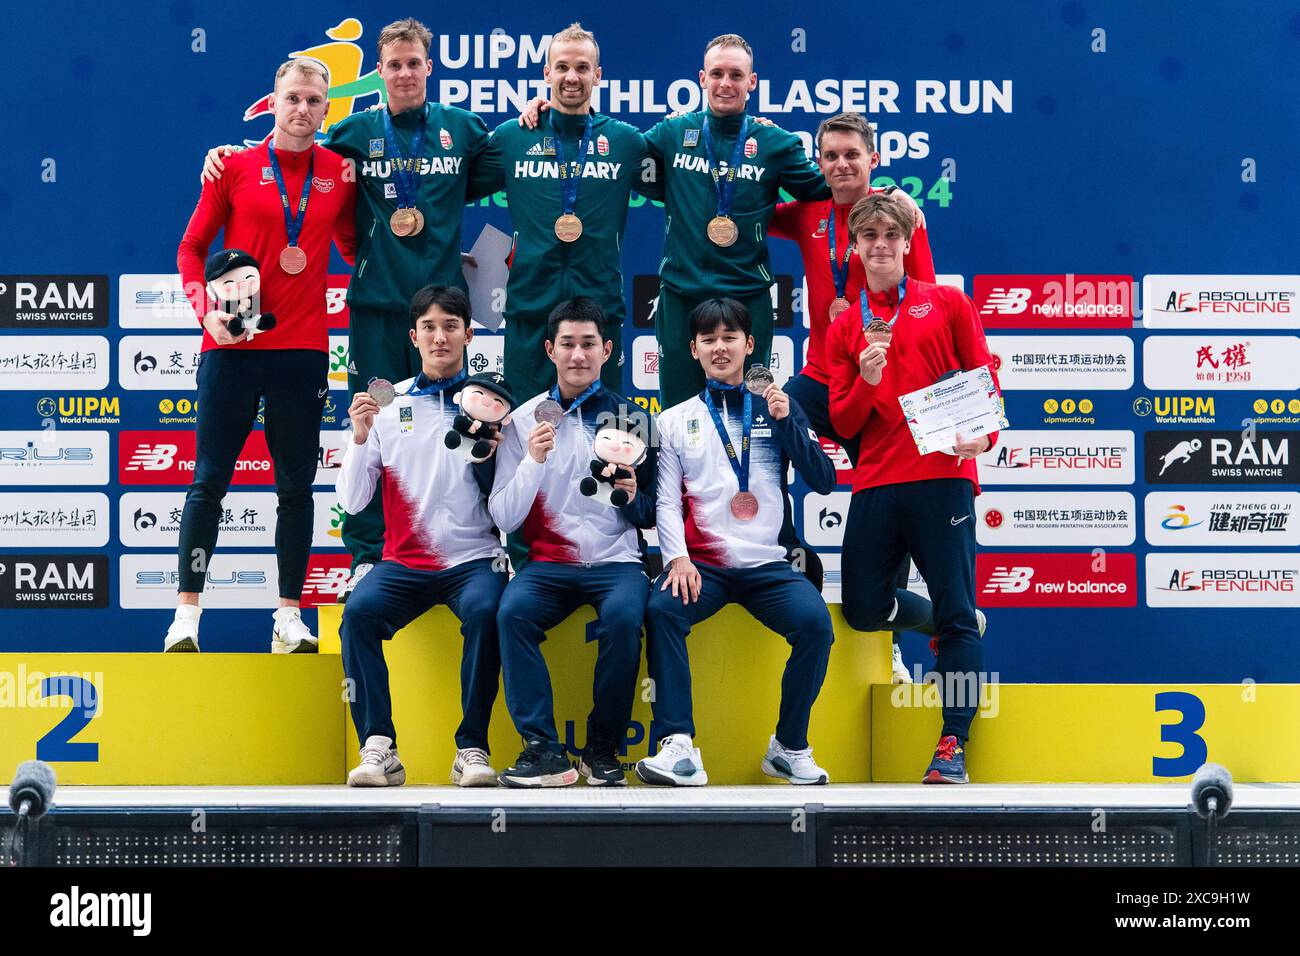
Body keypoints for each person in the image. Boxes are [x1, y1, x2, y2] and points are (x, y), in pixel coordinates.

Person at [201, 18, 503, 601]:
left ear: (429, 67)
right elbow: (292, 157)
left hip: (442, 317)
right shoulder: (353, 135)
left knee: (458, 430)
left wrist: (536, 116)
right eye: (394, 64)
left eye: (415, 63)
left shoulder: (462, 130)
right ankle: (368, 554)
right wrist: (232, 153)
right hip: (374, 310)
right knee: (373, 424)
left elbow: (512, 163)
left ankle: (474, 548)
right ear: (380, 72)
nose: (405, 73)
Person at [167, 58, 356, 654]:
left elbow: (355, 246)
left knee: (296, 488)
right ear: (272, 103)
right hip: (233, 348)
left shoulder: (340, 174)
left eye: (314, 101)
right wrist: (206, 314)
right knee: (209, 483)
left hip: (302, 350)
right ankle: (187, 617)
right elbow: (192, 248)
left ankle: (288, 617)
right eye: (293, 99)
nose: (303, 110)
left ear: (329, 109)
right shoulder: (235, 166)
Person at [827, 194, 1001, 784]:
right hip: (876, 479)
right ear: (855, 248)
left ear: (907, 243)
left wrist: (984, 435)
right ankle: (953, 621)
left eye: (889, 235)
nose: (878, 245)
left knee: (956, 611)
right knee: (862, 608)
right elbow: (844, 422)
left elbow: (983, 375)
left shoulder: (946, 302)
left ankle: (953, 743)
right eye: (867, 236)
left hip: (943, 477)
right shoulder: (846, 324)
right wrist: (870, 381)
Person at [635, 298, 836, 787]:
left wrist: (790, 423)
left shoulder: (778, 407)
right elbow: (664, 500)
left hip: (769, 566)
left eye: (730, 338)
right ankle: (677, 744)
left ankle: (789, 746)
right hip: (704, 567)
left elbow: (824, 480)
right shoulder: (673, 419)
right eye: (709, 339)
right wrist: (677, 558)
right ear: (694, 350)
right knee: (662, 611)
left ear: (750, 344)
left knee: (816, 625)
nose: (719, 347)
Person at [768, 112, 936, 684]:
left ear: (874, 161)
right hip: (823, 375)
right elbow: (744, 201)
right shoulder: (810, 215)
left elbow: (926, 304)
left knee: (891, 499)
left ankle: (890, 631)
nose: (841, 165)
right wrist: (756, 134)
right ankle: (785, 559)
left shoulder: (899, 220)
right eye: (831, 156)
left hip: (883, 388)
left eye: (852, 156)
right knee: (771, 426)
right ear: (818, 165)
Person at [337, 285, 510, 788]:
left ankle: (472, 747)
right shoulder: (387, 407)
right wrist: (359, 436)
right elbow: (352, 501)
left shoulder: (494, 408)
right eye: (430, 328)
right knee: (358, 616)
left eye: (451, 327)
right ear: (413, 336)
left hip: (474, 561)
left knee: (486, 612)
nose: (440, 338)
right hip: (403, 564)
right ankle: (379, 746)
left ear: (469, 334)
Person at [489, 297, 656, 787]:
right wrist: (532, 462)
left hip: (617, 564)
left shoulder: (633, 419)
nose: (578, 355)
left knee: (626, 619)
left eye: (589, 344)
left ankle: (602, 749)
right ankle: (543, 750)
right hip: (546, 565)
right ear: (550, 350)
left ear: (606, 350)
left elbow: (649, 513)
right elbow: (504, 515)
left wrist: (630, 497)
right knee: (512, 614)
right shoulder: (522, 421)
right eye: (568, 344)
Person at [643, 34, 830, 408]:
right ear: (702, 78)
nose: (725, 83)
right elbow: (612, 157)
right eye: (717, 74)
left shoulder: (776, 143)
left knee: (751, 412)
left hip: (747, 296)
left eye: (735, 74)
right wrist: (548, 113)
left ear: (752, 81)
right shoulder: (672, 133)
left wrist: (886, 193)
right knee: (679, 412)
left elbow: (831, 187)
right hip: (682, 295)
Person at [479, 22, 653, 401]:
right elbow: (448, 177)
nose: (571, 77)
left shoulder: (626, 141)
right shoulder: (513, 137)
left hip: (598, 312)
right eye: (561, 67)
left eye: (581, 68)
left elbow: (693, 169)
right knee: (525, 430)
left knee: (601, 438)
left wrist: (754, 127)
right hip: (531, 311)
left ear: (598, 75)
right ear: (546, 73)